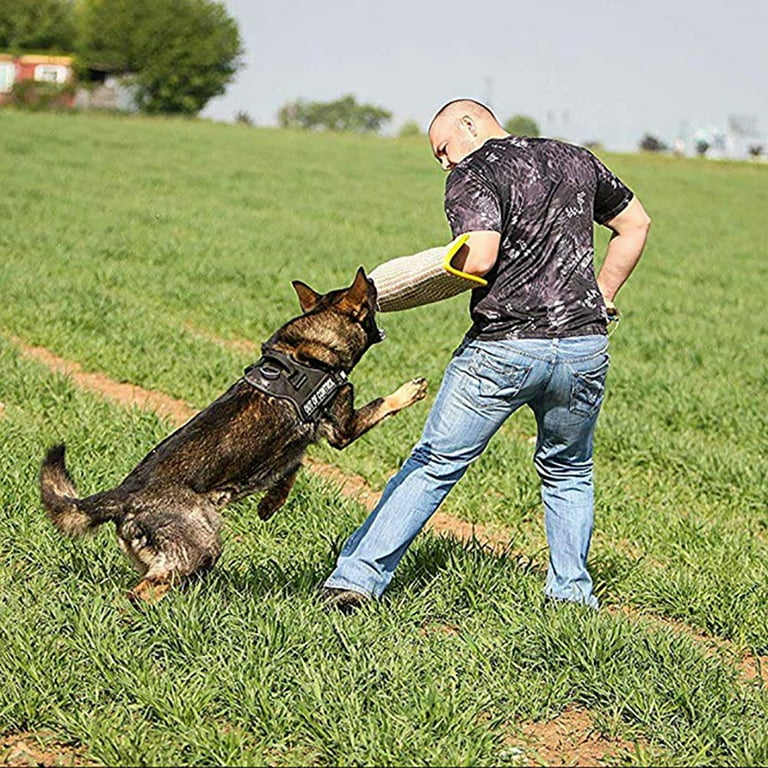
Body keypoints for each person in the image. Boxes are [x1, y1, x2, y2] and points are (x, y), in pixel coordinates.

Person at [322, 99, 651, 612]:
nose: (445, 163)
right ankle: (570, 596)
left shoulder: (475, 170)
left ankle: (355, 581)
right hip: (584, 347)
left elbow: (478, 254)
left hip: (505, 349)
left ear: (470, 125)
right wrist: (602, 295)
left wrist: (403, 284)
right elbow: (636, 224)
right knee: (569, 471)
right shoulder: (577, 159)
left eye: (443, 149)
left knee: (434, 462)